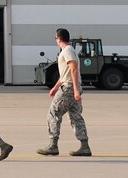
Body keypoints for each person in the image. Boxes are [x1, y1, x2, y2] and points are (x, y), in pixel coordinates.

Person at [37, 28, 91, 157]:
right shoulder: (68, 51)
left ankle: (53, 145)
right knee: (75, 116)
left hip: (69, 88)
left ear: (59, 38)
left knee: (53, 113)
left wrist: (76, 90)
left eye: (56, 38)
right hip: (70, 86)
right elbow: (64, 74)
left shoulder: (67, 51)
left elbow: (74, 70)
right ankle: (85, 146)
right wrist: (55, 87)